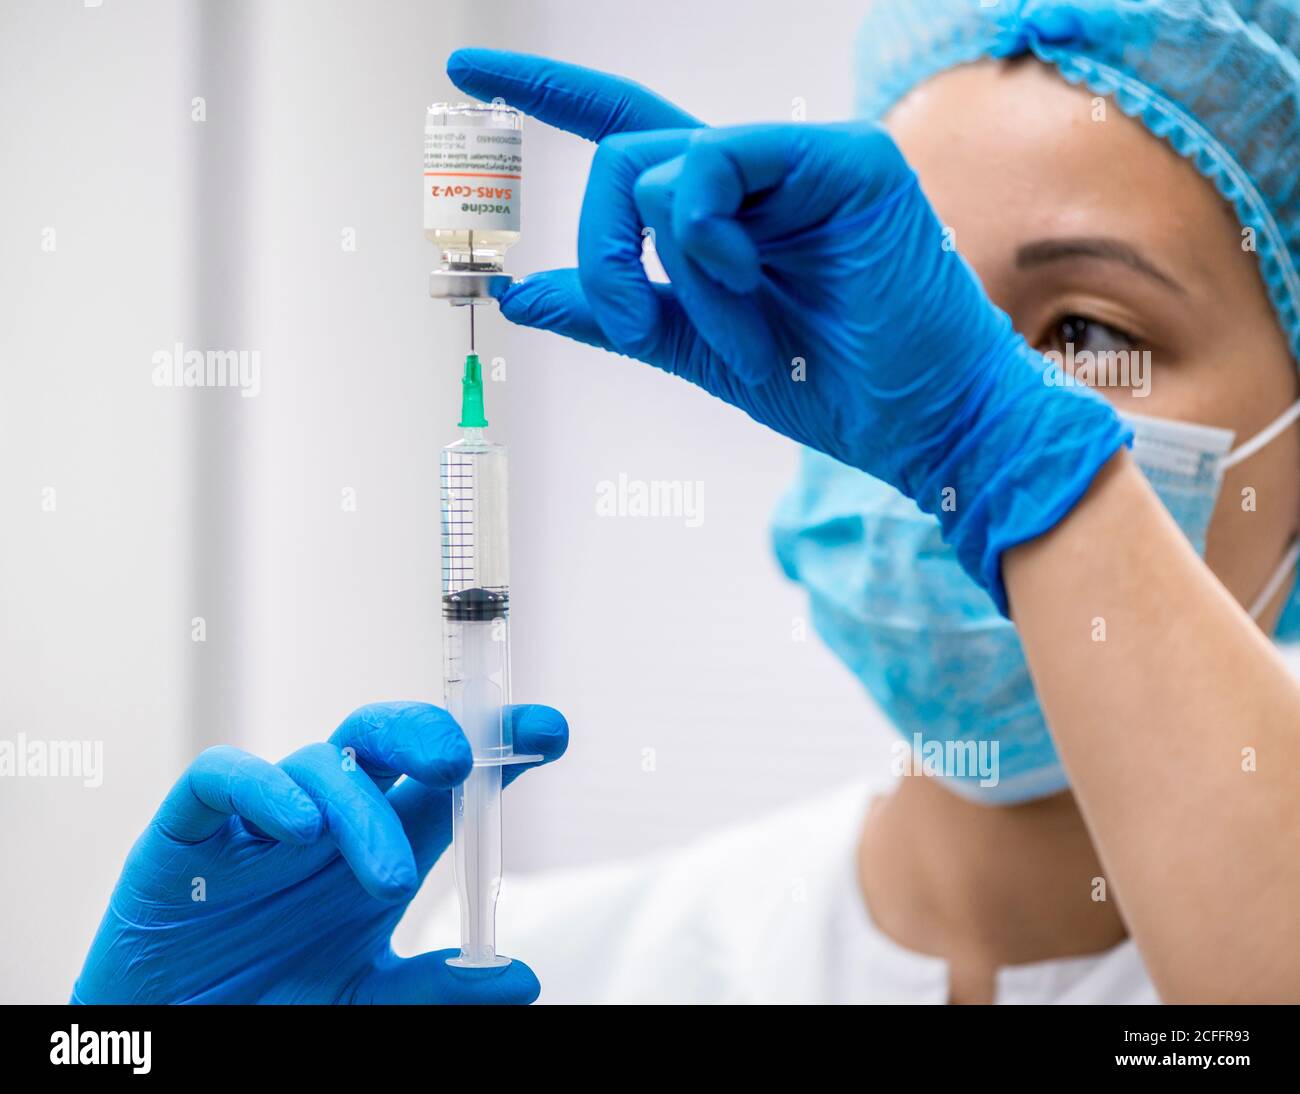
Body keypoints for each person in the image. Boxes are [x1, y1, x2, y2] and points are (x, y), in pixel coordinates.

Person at [76, 0, 1300, 1004]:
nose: (924, 410)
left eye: (1083, 331)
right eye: (897, 327)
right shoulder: (562, 964)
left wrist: (1002, 445)